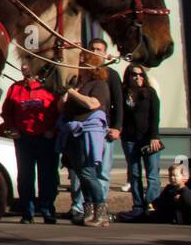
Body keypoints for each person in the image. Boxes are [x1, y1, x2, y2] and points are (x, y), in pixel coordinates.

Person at [0, 60, 60, 224]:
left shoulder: (48, 88)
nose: (24, 68)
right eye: (23, 65)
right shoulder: (15, 88)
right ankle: (28, 212)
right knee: (25, 176)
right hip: (24, 139)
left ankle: (48, 209)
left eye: (28, 65)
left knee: (47, 176)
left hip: (45, 139)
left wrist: (52, 130)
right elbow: (6, 112)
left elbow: (58, 112)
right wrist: (12, 128)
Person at [69, 39, 123, 219]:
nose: (94, 52)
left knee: (99, 172)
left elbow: (118, 103)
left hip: (100, 129)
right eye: (91, 49)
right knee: (81, 173)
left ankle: (100, 207)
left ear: (105, 52)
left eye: (98, 49)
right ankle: (81, 207)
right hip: (78, 129)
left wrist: (116, 127)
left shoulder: (110, 76)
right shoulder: (77, 79)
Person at [57, 50, 111, 227]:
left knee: (88, 173)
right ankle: (88, 210)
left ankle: (101, 211)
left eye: (81, 62)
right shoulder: (79, 84)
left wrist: (72, 92)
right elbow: (62, 107)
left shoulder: (98, 84)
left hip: (88, 132)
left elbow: (93, 104)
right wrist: (65, 95)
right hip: (73, 132)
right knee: (80, 174)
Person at [119, 64, 162, 218]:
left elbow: (155, 117)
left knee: (152, 175)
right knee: (135, 174)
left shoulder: (150, 93)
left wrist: (154, 137)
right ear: (128, 77)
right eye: (134, 75)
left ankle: (152, 205)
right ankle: (138, 206)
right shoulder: (123, 94)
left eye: (141, 75)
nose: (138, 77)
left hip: (148, 139)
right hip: (130, 139)